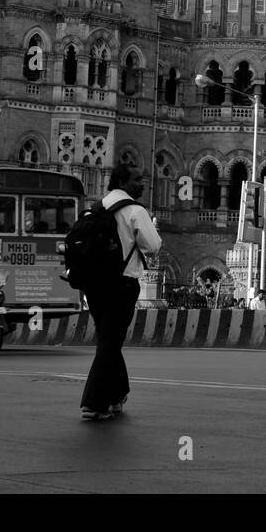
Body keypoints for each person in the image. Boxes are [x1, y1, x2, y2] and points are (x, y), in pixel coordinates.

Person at [80, 164, 161, 421]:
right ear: (123, 182)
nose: (142, 184)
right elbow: (153, 245)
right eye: (137, 179)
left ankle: (117, 394)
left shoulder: (96, 208)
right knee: (110, 342)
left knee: (108, 340)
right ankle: (94, 402)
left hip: (93, 285)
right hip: (121, 284)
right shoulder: (135, 211)